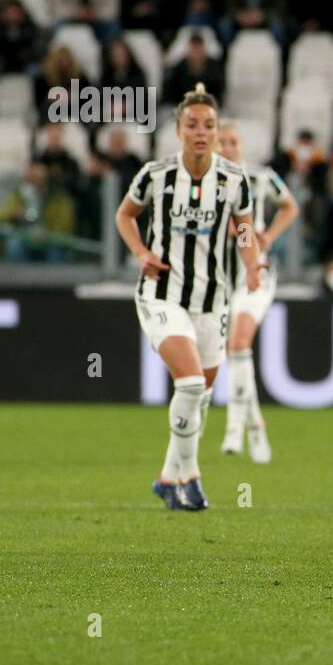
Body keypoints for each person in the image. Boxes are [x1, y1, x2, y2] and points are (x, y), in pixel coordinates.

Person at [114, 85, 262, 511]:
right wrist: (140, 252)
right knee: (192, 383)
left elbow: (245, 228)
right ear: (178, 130)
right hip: (162, 294)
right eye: (193, 125)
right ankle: (190, 476)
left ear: (216, 133)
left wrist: (252, 263)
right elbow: (124, 214)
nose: (201, 132)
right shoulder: (155, 174)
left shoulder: (234, 179)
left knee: (201, 395)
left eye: (209, 126)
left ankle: (167, 476)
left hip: (213, 300)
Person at [216, 122, 300, 463]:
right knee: (234, 350)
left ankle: (234, 426)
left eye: (232, 141)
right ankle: (256, 425)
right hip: (220, 274)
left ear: (242, 145)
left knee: (238, 342)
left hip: (256, 271)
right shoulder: (204, 184)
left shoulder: (260, 177)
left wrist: (269, 237)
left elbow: (290, 206)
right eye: (221, 142)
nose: (227, 148)